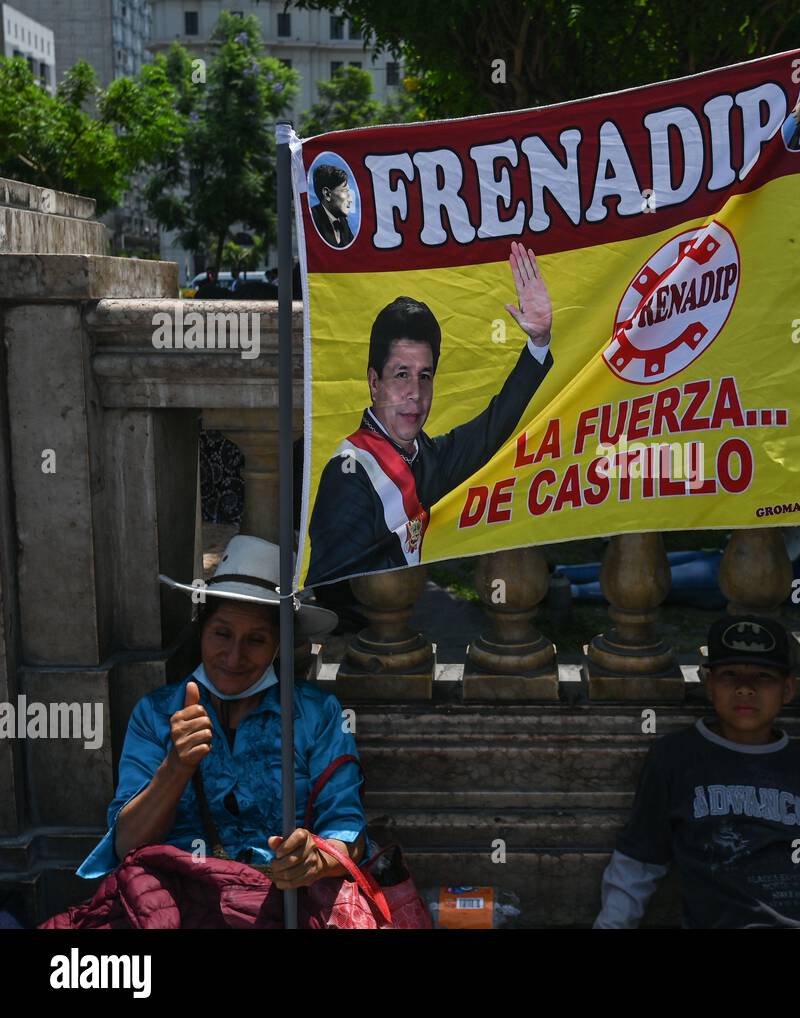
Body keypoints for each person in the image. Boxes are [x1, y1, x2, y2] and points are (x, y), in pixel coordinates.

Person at [76, 535, 368, 892]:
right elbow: (126, 845)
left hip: (285, 904)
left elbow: (349, 832)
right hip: (181, 904)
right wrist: (176, 767)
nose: (234, 657)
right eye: (222, 634)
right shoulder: (155, 714)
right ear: (201, 632)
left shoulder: (317, 715)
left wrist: (315, 860)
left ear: (279, 645)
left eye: (256, 640)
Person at [594, 614, 800, 929]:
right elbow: (638, 863)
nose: (745, 688)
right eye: (730, 675)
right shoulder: (676, 757)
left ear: (787, 689)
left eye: (763, 677)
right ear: (710, 686)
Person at [305, 241, 555, 585]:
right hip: (370, 635)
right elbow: (331, 589)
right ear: (374, 382)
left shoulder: (428, 456)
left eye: (425, 376)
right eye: (401, 375)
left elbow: (494, 424)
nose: (415, 393)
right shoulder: (349, 473)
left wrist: (538, 343)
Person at [310, 163, 356, 249]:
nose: (350, 200)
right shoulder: (312, 219)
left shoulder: (343, 222)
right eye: (345, 191)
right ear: (327, 194)